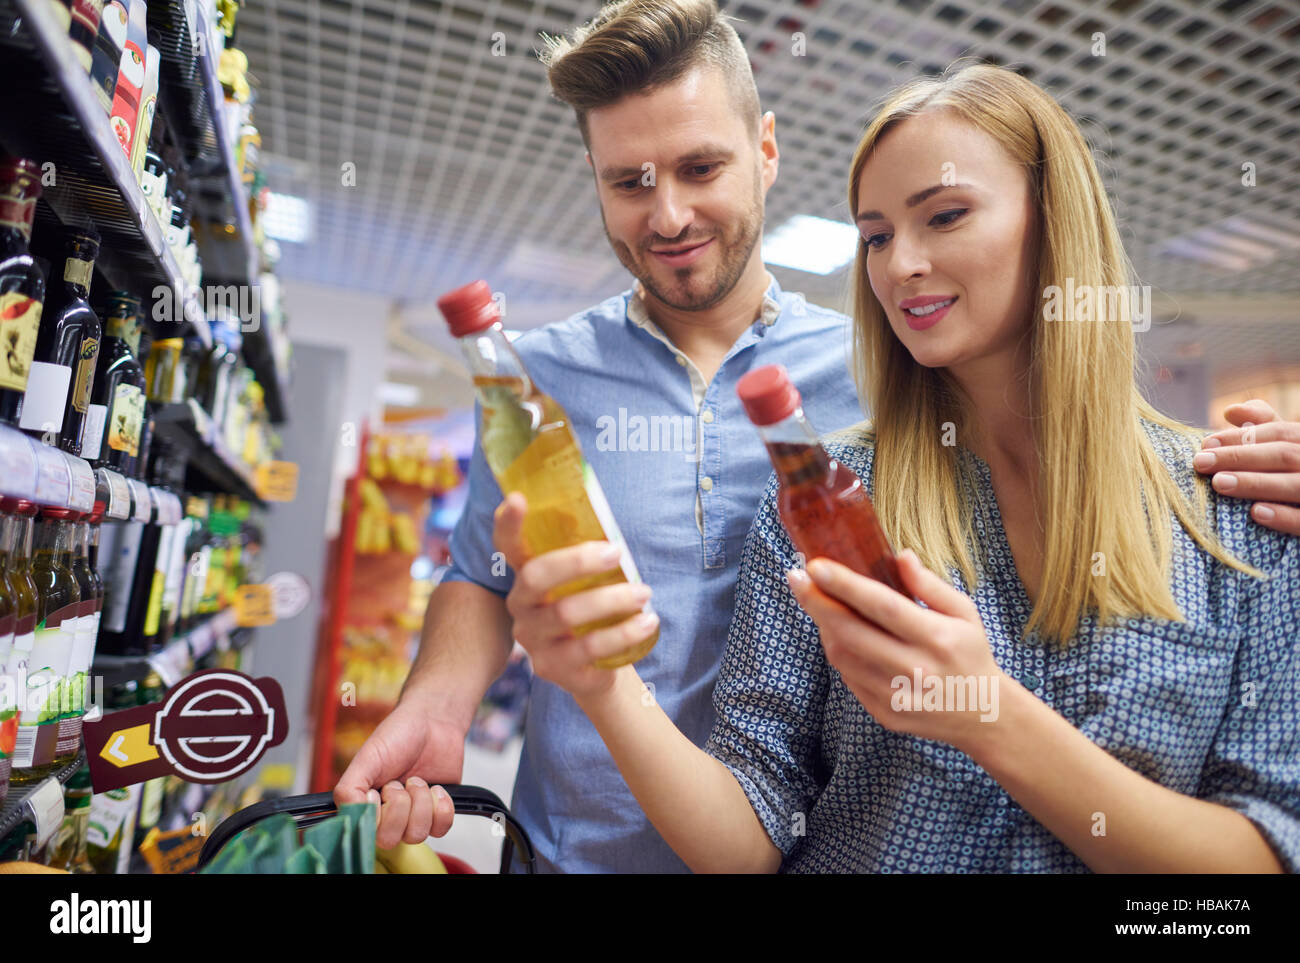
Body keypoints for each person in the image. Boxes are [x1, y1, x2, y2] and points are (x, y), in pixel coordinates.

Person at [335, 0, 1300, 872]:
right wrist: (437, 703)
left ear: (765, 152)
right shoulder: (540, 379)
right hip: (577, 849)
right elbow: (482, 571)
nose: (667, 212)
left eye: (700, 167)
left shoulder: (886, 379)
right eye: (627, 180)